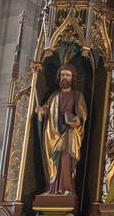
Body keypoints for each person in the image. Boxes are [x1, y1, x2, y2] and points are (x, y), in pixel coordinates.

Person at [36, 64, 87, 195]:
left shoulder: (77, 95)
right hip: (53, 131)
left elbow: (82, 115)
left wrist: (77, 120)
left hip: (69, 131)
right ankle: (52, 188)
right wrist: (41, 111)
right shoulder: (54, 95)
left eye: (68, 75)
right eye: (63, 75)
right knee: (53, 160)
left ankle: (67, 188)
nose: (65, 77)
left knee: (65, 158)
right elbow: (46, 109)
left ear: (73, 78)